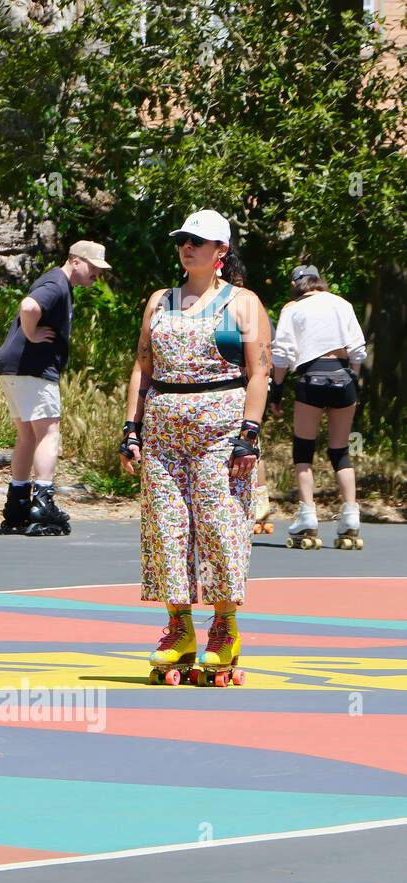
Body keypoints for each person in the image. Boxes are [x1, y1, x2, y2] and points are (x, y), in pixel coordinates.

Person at [119, 209, 271, 686]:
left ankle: (224, 626)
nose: (188, 247)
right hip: (164, 429)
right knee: (166, 526)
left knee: (218, 523)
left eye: (198, 241)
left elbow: (260, 370)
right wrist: (131, 428)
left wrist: (250, 430)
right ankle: (179, 627)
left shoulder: (242, 303)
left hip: (220, 431)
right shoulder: (159, 301)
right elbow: (143, 366)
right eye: (184, 239)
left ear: (220, 252)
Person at [0, 241, 110, 535]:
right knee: (49, 432)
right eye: (93, 267)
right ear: (75, 260)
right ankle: (43, 501)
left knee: (27, 434)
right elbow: (29, 306)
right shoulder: (57, 283)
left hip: (13, 367)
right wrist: (31, 334)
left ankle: (18, 500)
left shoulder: (56, 282)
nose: (97, 273)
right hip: (34, 368)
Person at [270, 264, 368, 550]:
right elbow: (358, 350)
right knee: (340, 451)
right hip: (343, 376)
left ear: (296, 284)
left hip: (311, 377)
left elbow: (282, 353)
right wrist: (353, 380)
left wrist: (277, 391)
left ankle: (307, 514)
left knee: (303, 449)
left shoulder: (293, 308)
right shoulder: (342, 303)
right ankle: (351, 513)